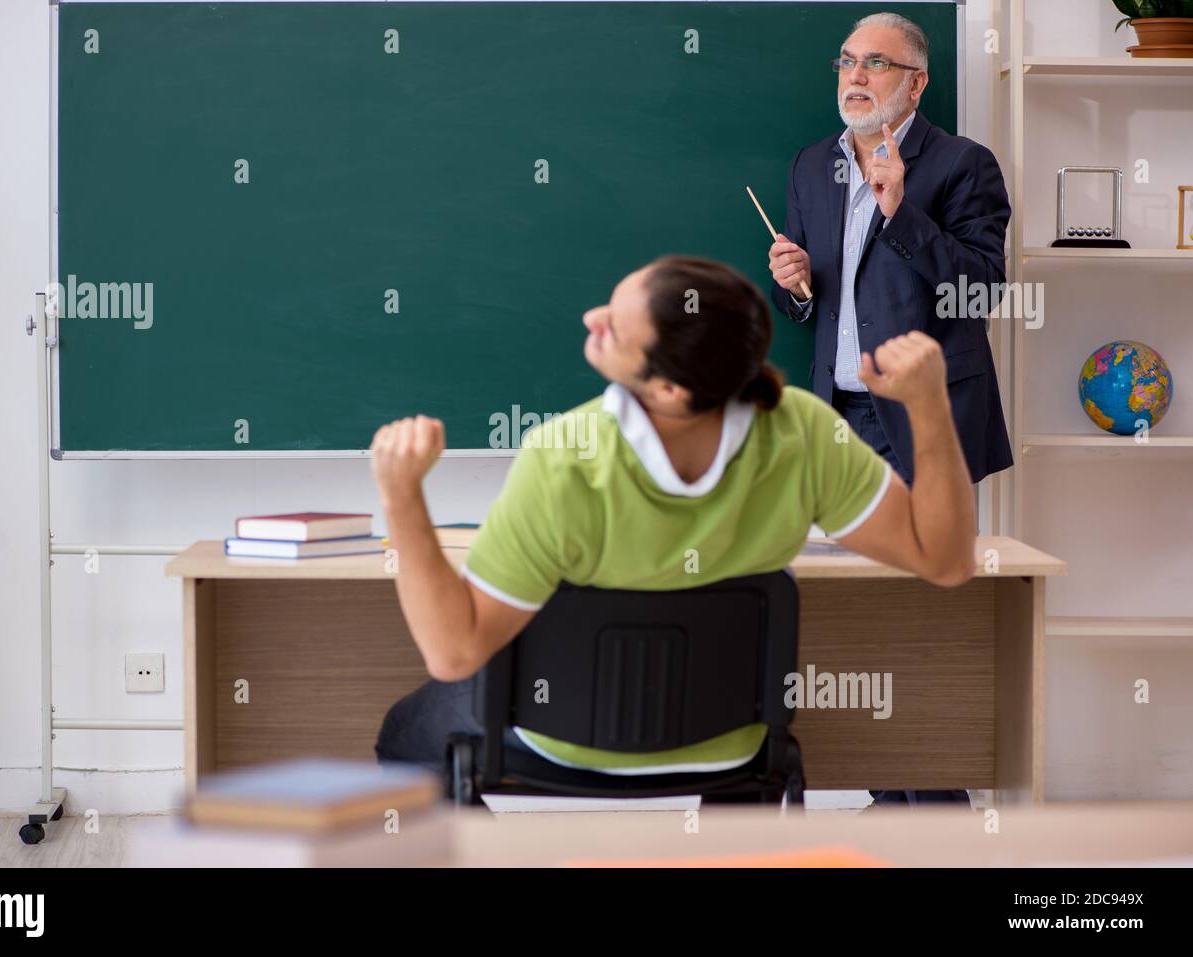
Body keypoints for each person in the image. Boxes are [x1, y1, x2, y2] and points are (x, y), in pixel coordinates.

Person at [371, 255, 976, 778]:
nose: (591, 320)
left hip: (561, 742)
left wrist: (401, 496)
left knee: (407, 732)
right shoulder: (805, 432)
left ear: (669, 391)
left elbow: (453, 654)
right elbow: (944, 561)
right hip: (731, 742)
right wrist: (927, 403)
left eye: (612, 329)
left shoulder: (562, 457)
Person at [768, 11, 1013, 807]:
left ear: (918, 81)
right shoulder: (811, 166)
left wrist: (901, 212)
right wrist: (797, 283)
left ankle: (938, 807)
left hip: (928, 419)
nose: (855, 74)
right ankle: (889, 794)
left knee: (925, 618)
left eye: (877, 61)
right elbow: (826, 303)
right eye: (846, 59)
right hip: (837, 417)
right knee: (857, 622)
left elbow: (978, 288)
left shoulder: (963, 164)